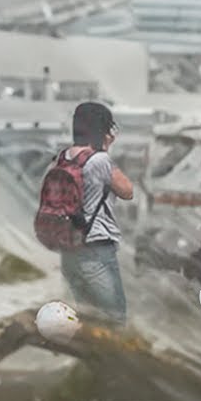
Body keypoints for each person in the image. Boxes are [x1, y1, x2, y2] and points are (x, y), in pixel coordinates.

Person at [60, 102, 134, 323]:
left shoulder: (64, 157)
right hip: (95, 249)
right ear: (103, 130)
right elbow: (127, 191)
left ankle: (87, 357)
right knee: (115, 319)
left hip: (69, 251)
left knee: (87, 319)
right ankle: (113, 358)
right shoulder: (100, 160)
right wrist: (105, 148)